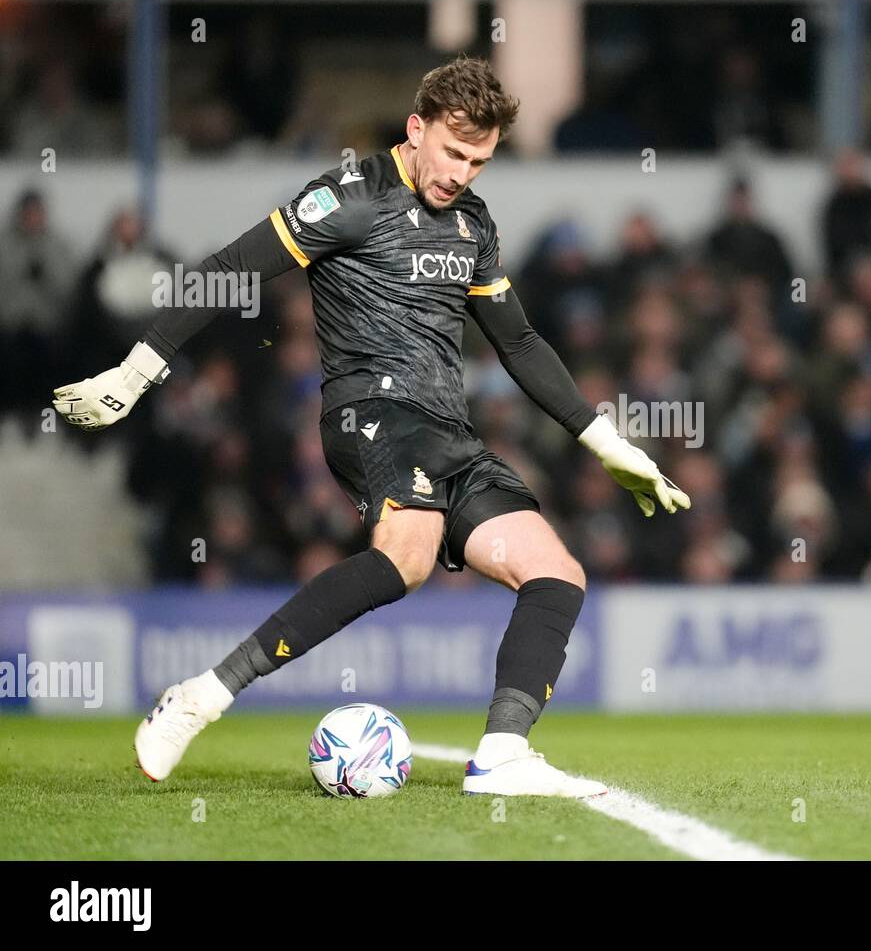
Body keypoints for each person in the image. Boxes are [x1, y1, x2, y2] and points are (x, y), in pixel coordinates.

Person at [52, 56, 691, 798]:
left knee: (556, 574)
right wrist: (137, 372)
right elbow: (227, 267)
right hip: (371, 412)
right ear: (416, 128)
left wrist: (605, 440)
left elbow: (517, 342)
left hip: (447, 429)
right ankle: (203, 695)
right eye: (453, 152)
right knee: (409, 557)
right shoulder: (350, 198)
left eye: (479, 161)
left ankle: (503, 753)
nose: (462, 173)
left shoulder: (473, 225)